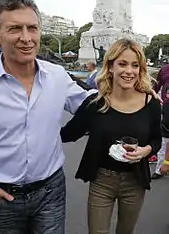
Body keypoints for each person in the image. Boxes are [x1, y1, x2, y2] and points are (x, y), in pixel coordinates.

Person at [0, 0, 96, 234]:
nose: (26, 38)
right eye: (15, 29)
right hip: (2, 195)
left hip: (51, 190)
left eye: (32, 28)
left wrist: (137, 93)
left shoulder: (57, 76)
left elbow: (88, 102)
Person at [61, 38, 162, 234]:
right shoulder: (95, 103)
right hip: (102, 181)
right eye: (122, 64)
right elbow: (68, 134)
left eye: (135, 65)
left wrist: (145, 151)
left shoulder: (151, 103)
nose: (129, 71)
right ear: (110, 66)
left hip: (135, 182)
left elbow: (156, 140)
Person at [154, 87, 169, 177]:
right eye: (168, 93)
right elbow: (161, 117)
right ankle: (158, 171)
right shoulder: (164, 105)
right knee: (161, 152)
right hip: (164, 131)